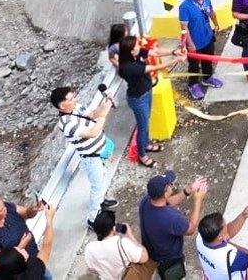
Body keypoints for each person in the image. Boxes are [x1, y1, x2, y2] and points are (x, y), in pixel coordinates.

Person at [50, 86, 118, 226]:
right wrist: (104, 115)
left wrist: (104, 105)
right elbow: (92, 132)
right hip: (91, 157)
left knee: (101, 178)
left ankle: (101, 202)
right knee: (97, 186)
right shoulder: (67, 124)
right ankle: (93, 219)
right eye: (71, 98)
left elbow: (93, 114)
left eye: (74, 96)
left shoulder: (76, 107)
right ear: (62, 105)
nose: (75, 99)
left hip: (100, 150)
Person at [118, 36, 183, 168]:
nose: (139, 46)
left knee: (146, 123)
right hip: (138, 99)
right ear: (131, 51)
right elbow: (154, 67)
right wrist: (176, 60)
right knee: (143, 128)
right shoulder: (129, 67)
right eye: (137, 45)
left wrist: (173, 52)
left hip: (146, 93)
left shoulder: (134, 54)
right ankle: (142, 155)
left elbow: (155, 52)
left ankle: (146, 144)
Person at [139, 171, 209, 280]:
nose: (172, 186)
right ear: (165, 193)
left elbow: (168, 202)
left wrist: (188, 190)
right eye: (170, 185)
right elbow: (191, 229)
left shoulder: (146, 201)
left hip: (152, 254)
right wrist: (197, 201)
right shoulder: (171, 218)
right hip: (170, 262)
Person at [0, 195, 46, 279]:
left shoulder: (6, 207)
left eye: (3, 205)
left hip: (33, 257)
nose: (5, 208)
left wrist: (33, 210)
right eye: (1, 210)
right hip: (19, 274)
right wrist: (22, 246)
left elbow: (26, 213)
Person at [179, 0, 221, 100]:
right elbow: (184, 28)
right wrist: (191, 45)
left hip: (207, 36)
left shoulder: (207, 0)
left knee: (208, 59)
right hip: (194, 42)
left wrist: (217, 25)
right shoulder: (185, 7)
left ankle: (207, 78)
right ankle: (193, 84)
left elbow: (211, 12)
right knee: (194, 65)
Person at [0, 202, 56, 280]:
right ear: (23, 261)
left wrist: (21, 245)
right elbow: (47, 246)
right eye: (21, 251)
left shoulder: (7, 274)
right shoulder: (33, 273)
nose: (22, 249)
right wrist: (49, 219)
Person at [84, 210, 149, 280]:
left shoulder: (89, 249)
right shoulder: (123, 244)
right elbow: (144, 258)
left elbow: (92, 271)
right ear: (114, 227)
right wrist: (130, 236)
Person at [195, 207, 248, 280]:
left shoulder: (200, 237)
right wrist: (227, 243)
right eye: (225, 226)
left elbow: (227, 234)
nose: (227, 225)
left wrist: (243, 216)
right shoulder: (231, 258)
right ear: (220, 237)